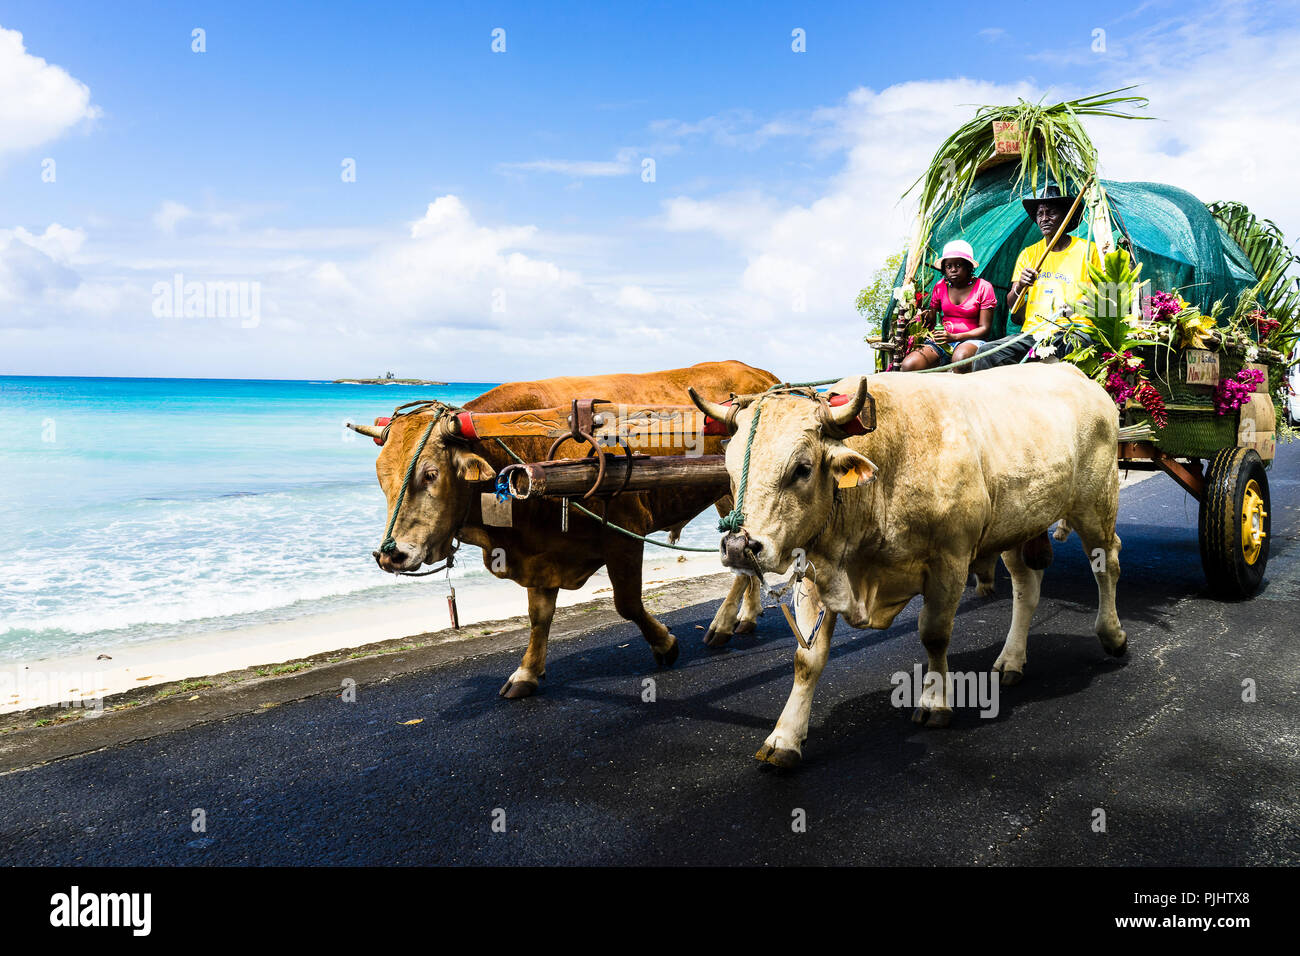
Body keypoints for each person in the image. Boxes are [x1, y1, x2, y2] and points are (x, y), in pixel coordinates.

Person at [970, 184, 1102, 372]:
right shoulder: (1029, 254)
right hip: (1033, 333)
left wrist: (1076, 307)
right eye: (1040, 214)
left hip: (1072, 331)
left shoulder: (1089, 250)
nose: (1044, 218)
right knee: (987, 353)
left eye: (1051, 213)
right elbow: (1014, 309)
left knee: (1076, 346)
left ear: (1066, 216)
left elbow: (1107, 301)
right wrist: (1020, 286)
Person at [896, 239, 995, 372]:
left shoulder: (983, 287)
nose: (953, 270)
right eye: (948, 266)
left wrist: (955, 337)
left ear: (968, 267)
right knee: (909, 365)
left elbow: (985, 329)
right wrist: (921, 314)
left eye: (958, 265)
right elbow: (932, 316)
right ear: (944, 269)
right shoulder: (940, 286)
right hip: (942, 340)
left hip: (971, 341)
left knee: (960, 360)